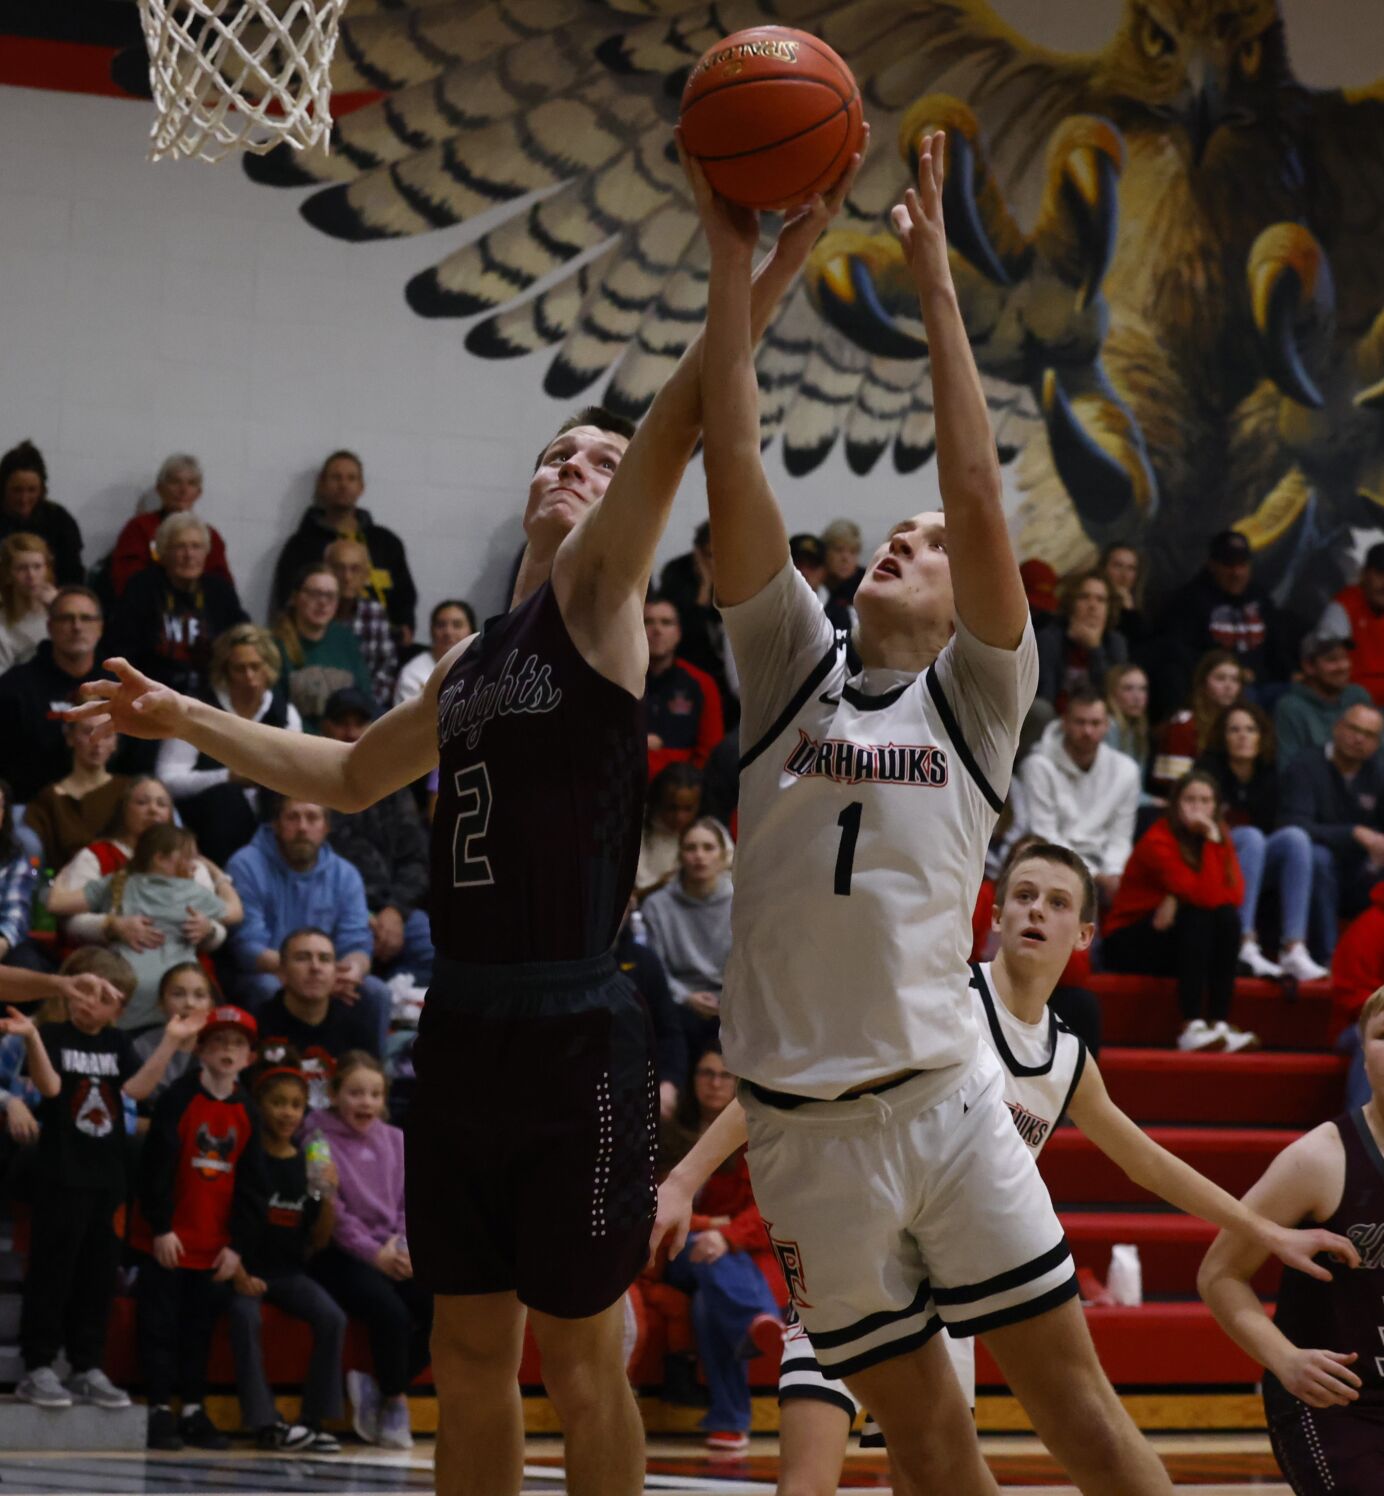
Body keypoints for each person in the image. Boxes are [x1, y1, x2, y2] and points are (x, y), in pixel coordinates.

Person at [70, 148, 857, 1496]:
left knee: (580, 1352)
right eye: (559, 452)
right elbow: (344, 775)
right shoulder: (481, 660)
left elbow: (681, 422)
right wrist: (187, 721)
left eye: (601, 457)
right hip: (472, 1025)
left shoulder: (604, 598)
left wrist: (753, 260)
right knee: (469, 1344)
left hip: (576, 1025)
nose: (578, 465)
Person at [696, 128, 1174, 1492]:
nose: (903, 541)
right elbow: (735, 461)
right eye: (886, 539)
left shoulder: (979, 694)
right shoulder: (791, 670)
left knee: (1074, 1408)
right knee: (924, 1432)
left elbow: (977, 491)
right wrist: (740, 273)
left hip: (947, 1109)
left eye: (925, 546)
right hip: (802, 1133)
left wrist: (939, 293)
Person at [653, 841, 1358, 1490]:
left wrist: (1266, 1232)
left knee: (929, 1478)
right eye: (1023, 894)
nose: (1036, 911)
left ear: (1084, 935)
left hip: (954, 1296)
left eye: (1057, 903)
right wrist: (683, 1179)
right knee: (803, 1484)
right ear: (995, 910)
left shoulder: (1069, 1060)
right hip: (859, 1266)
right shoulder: (938, 1002)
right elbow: (789, 1091)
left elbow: (1146, 1163)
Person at [1198, 988, 1384, 1495]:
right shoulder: (1318, 1160)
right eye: (1383, 1035)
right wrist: (1283, 1359)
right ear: (1362, 1057)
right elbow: (1219, 1275)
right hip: (1331, 1402)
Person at [0, 956, 202, 1411]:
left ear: (119, 1008)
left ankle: (88, 1365)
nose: (87, 1003)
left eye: (101, 997)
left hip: (107, 1179)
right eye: (82, 992)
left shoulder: (117, 1043)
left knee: (96, 1277)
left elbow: (135, 1090)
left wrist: (170, 1042)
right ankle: (39, 1366)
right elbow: (50, 1089)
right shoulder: (52, 1035)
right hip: (59, 1173)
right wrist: (31, 1038)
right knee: (53, 1272)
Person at [131, 1004, 267, 1451]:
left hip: (216, 1248)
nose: (228, 1051)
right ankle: (157, 1410)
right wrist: (161, 1227)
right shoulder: (178, 1098)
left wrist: (239, 1247)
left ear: (249, 1057)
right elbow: (155, 1170)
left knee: (199, 1331)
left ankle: (193, 1408)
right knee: (159, 1328)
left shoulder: (249, 1110)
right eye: (219, 1042)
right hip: (170, 1241)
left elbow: (252, 1186)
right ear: (202, 1049)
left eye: (238, 1044)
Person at [656, 1040, 784, 1453]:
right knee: (702, 1246)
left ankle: (730, 1423)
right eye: (705, 1074)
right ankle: (753, 1316)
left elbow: (767, 1208)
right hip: (675, 1252)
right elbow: (656, 1206)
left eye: (725, 1075)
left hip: (728, 1256)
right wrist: (715, 1228)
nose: (714, 1084)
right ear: (692, 1080)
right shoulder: (670, 1134)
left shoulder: (755, 1138)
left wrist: (725, 1237)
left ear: (738, 1082)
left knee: (708, 1304)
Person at [304, 1051, 430, 1450]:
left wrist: (403, 1247)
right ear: (335, 1095)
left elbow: (410, 1202)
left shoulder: (396, 1139)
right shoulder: (315, 1137)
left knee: (441, 1307)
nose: (366, 1103)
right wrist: (374, 1254)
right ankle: (394, 1401)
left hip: (395, 1248)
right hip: (341, 1253)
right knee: (389, 1311)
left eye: (375, 1094)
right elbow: (333, 1212)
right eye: (356, 1093)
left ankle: (376, 1383)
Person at [228, 1054, 345, 1453]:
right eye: (278, 1103)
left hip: (287, 1272)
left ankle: (312, 1421)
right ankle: (264, 1422)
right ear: (260, 1105)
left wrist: (329, 1197)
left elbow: (318, 1241)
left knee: (331, 1316)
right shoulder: (246, 1158)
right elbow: (227, 1221)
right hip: (244, 1271)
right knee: (244, 1318)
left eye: (296, 1105)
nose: (288, 1112)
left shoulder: (306, 1163)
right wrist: (237, 1271)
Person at [1103, 771, 1255, 1052]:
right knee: (1199, 916)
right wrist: (1209, 846)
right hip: (1129, 939)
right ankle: (1191, 1025)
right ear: (1175, 804)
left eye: (1205, 800)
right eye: (1190, 800)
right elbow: (1204, 895)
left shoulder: (1218, 835)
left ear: (1216, 806)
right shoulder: (1158, 839)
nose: (1198, 808)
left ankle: (1220, 1023)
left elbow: (1234, 896)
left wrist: (1209, 843)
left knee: (1225, 918)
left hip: (1175, 933)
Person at [224, 796, 389, 1051]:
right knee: (266, 988)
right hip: (270, 972)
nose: (302, 827)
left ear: (326, 827)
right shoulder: (246, 864)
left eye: (312, 817)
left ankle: (372, 1080)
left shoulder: (345, 874)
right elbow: (246, 945)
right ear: (276, 825)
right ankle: (261, 1072)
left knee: (376, 992)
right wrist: (298, 974)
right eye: (293, 817)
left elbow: (357, 943)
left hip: (325, 971)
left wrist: (351, 970)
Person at [48, 822, 239, 1033]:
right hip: (180, 998)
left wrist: (61, 876)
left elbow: (56, 903)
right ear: (160, 859)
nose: (195, 865)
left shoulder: (117, 882)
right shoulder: (192, 891)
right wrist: (218, 876)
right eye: (188, 858)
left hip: (124, 993)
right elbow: (236, 912)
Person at [1196, 704, 1327, 982]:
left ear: (1261, 736)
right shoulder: (1207, 769)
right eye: (1234, 729)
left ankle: (1294, 947)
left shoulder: (1271, 774)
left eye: (1250, 729)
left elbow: (1277, 825)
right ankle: (1244, 941)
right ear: (1223, 736)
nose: (1243, 736)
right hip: (1211, 862)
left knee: (1295, 838)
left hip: (1253, 865)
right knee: (1251, 837)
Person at [157, 623, 304, 866]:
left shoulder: (284, 713)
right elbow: (168, 779)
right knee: (227, 798)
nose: (249, 677)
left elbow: (296, 772)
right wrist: (227, 777)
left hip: (269, 819)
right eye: (240, 669)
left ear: (268, 668)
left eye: (256, 667)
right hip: (210, 821)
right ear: (225, 671)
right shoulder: (198, 710)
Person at [318, 687, 433, 984]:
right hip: (329, 913)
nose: (350, 731)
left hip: (392, 910)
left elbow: (417, 860)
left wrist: (396, 910)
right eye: (341, 722)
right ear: (324, 727)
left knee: (434, 946)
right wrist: (360, 915)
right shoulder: (308, 788)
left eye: (359, 723)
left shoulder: (393, 787)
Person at [50, 776, 227, 962]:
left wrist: (208, 930)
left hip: (183, 971)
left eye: (162, 804)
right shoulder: (96, 856)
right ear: (123, 810)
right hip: (110, 966)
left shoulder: (192, 864)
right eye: (142, 803)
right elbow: (68, 921)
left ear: (171, 814)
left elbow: (221, 927)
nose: (153, 810)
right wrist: (112, 926)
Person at [272, 450, 418, 641]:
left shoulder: (386, 543)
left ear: (361, 487)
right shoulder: (301, 545)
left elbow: (404, 595)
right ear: (321, 484)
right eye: (336, 477)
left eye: (351, 478)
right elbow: (287, 598)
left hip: (380, 641)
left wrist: (405, 625)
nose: (343, 484)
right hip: (321, 638)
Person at [105, 513, 248, 699]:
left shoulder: (219, 591)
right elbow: (122, 647)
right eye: (180, 546)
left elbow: (242, 637)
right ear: (163, 552)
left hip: (212, 696)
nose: (189, 555)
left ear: (206, 552)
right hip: (152, 693)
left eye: (196, 547)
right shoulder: (143, 587)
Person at [1016, 689, 1139, 904]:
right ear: (1064, 723)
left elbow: (1120, 836)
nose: (1088, 731)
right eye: (1080, 722)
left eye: (1095, 723)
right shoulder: (1038, 765)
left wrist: (1113, 873)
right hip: (1051, 865)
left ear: (1107, 726)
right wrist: (1097, 877)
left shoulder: (1125, 770)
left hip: (1105, 870)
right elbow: (1044, 834)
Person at [1280, 704, 1384, 945]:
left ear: (1377, 744)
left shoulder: (1378, 772)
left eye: (1368, 735)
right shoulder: (1305, 765)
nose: (1359, 739)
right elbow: (1294, 823)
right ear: (1336, 728)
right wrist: (1354, 833)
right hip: (1312, 868)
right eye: (1354, 729)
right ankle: (1328, 955)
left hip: (1362, 869)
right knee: (1318, 858)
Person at [1160, 529, 1291, 712]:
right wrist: (1233, 674)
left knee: (1295, 698)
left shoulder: (1259, 597)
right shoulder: (1190, 600)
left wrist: (1293, 675)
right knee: (1245, 698)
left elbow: (1277, 649)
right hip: (1223, 688)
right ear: (1212, 565)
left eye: (1243, 564)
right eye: (1229, 565)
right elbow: (1180, 652)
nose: (1237, 573)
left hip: (1264, 684)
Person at [0, 585, 108, 804]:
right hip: (31, 805)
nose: (77, 627)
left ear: (100, 628)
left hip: (108, 804)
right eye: (66, 618)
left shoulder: (116, 683)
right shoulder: (14, 687)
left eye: (86, 618)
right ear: (50, 627)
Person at [641, 818, 733, 1051]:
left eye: (708, 848)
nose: (699, 856)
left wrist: (729, 1000)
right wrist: (686, 997)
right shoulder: (657, 905)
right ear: (680, 855)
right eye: (690, 848)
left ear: (723, 856)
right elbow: (655, 968)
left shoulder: (741, 902)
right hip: (679, 1002)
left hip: (733, 1002)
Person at [257, 928, 381, 1096]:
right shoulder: (259, 1026)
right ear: (282, 973)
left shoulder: (357, 1027)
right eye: (302, 958)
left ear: (335, 972)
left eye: (325, 959)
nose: (315, 967)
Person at [110, 454, 234, 600]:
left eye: (191, 483)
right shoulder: (139, 528)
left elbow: (223, 586)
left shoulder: (210, 535)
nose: (183, 490)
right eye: (175, 482)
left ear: (199, 493)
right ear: (160, 488)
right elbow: (126, 580)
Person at [273, 564, 374, 732]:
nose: (322, 602)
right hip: (295, 739)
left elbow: (365, 698)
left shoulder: (346, 640)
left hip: (345, 741)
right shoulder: (276, 643)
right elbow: (276, 708)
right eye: (314, 594)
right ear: (296, 597)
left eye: (330, 595)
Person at [23, 718, 129, 870]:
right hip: (65, 884)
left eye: (107, 734)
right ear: (70, 737)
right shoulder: (49, 798)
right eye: (88, 732)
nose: (97, 742)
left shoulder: (130, 791)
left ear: (115, 743)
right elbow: (35, 854)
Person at [657, 520, 738, 711]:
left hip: (731, 684)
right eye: (711, 556)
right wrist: (705, 587)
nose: (719, 563)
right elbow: (684, 635)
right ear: (699, 555)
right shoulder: (678, 574)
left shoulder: (739, 577)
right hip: (689, 677)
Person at [643, 593, 725, 779]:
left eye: (666, 622)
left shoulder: (702, 684)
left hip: (682, 793)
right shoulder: (621, 682)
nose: (657, 629)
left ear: (678, 633)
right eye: (648, 622)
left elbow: (710, 752)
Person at [1274, 632, 1375, 776]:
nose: (1343, 666)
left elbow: (1379, 754)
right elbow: (1288, 770)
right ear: (1308, 666)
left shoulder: (1358, 696)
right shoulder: (1291, 707)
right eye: (1332, 660)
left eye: (1345, 657)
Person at [1150, 649, 1245, 798]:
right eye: (1220, 678)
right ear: (1203, 683)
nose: (1229, 686)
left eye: (1235, 680)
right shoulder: (1184, 725)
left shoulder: (1242, 723)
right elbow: (1173, 783)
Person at [1035, 569, 1128, 712]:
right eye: (1084, 597)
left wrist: (1095, 649)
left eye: (1101, 600)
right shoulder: (1049, 638)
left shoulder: (1115, 642)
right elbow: (1045, 695)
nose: (1092, 605)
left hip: (1097, 723)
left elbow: (1113, 699)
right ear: (1071, 603)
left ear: (1109, 609)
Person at [131, 961, 218, 1110]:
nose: (189, 1003)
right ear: (161, 1003)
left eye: (199, 995)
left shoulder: (220, 1048)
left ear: (211, 1005)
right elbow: (125, 1109)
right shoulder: (141, 1046)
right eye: (178, 994)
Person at [327, 538, 399, 711]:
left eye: (355, 569)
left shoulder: (375, 612)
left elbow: (385, 670)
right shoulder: (315, 610)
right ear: (326, 570)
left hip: (365, 708)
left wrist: (363, 708)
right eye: (339, 568)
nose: (347, 577)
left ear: (366, 575)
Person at [0, 440, 83, 585]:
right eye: (17, 490)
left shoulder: (60, 520)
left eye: (32, 490)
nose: (24, 499)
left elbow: (73, 576)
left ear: (42, 489)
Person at [1319, 540, 1384, 706]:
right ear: (1363, 575)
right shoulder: (1344, 606)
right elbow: (1326, 665)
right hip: (1354, 707)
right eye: (1380, 574)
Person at [637, 761, 703, 897]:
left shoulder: (706, 829)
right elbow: (638, 891)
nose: (680, 817)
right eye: (672, 808)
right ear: (658, 801)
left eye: (688, 809)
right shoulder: (640, 831)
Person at [393, 599, 475, 706]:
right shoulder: (413, 674)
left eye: (457, 625)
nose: (448, 632)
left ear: (471, 631)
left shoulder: (483, 668)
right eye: (441, 625)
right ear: (432, 631)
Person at [0, 532, 56, 670]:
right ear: (8, 574)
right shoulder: (2, 626)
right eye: (21, 568)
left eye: (37, 567)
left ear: (47, 569)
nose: (31, 575)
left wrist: (60, 608)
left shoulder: (63, 609)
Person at [1104, 663, 1155, 801]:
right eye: (1128, 689)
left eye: (1143, 689)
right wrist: (1151, 801)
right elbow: (1111, 788)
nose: (1137, 697)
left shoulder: (1139, 730)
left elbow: (1138, 788)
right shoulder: (1107, 727)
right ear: (1112, 693)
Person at [1101, 541, 1147, 653]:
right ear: (1104, 568)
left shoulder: (1137, 614)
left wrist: (1128, 611)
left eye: (1131, 568)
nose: (1124, 575)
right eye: (1118, 566)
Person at [821, 517, 865, 606]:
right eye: (839, 550)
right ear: (825, 552)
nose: (845, 558)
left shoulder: (866, 586)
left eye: (853, 552)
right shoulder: (814, 582)